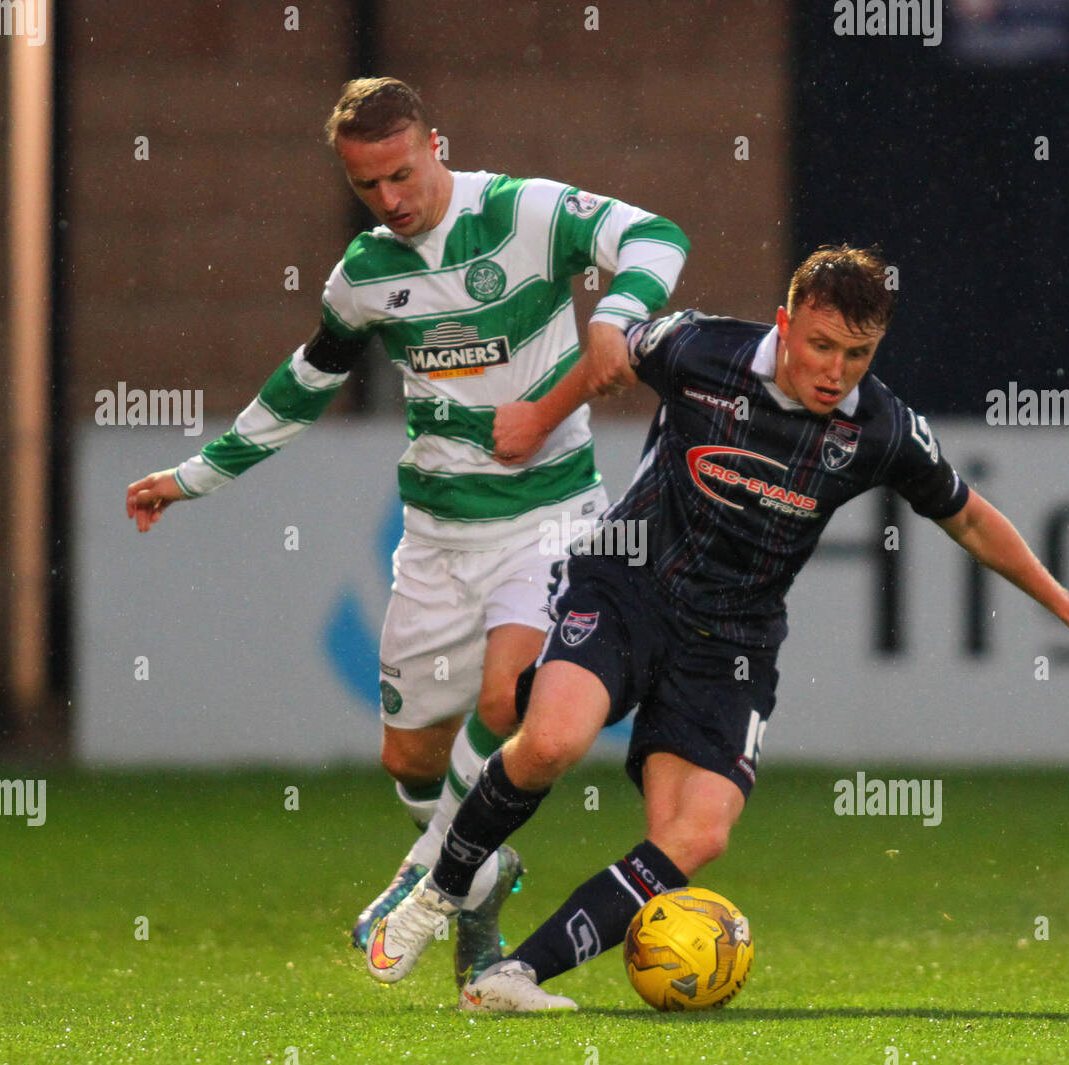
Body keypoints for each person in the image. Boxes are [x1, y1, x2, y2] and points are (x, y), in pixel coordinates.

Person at [365, 243, 1069, 1011]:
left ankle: (508, 976)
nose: (836, 371)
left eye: (858, 354)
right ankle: (440, 891)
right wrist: (541, 414)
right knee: (550, 740)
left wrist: (1061, 601)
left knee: (699, 833)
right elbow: (611, 351)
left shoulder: (880, 428)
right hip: (628, 583)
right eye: (820, 346)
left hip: (734, 639)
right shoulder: (700, 349)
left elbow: (969, 517)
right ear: (784, 324)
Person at [123, 77, 689, 986]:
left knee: (509, 701)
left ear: (437, 143)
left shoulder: (522, 212)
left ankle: (427, 873)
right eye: (366, 187)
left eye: (400, 174)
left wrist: (617, 316)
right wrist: (194, 476)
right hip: (434, 536)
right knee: (409, 756)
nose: (389, 199)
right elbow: (309, 378)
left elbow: (658, 237)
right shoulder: (365, 276)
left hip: (549, 518)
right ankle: (483, 874)